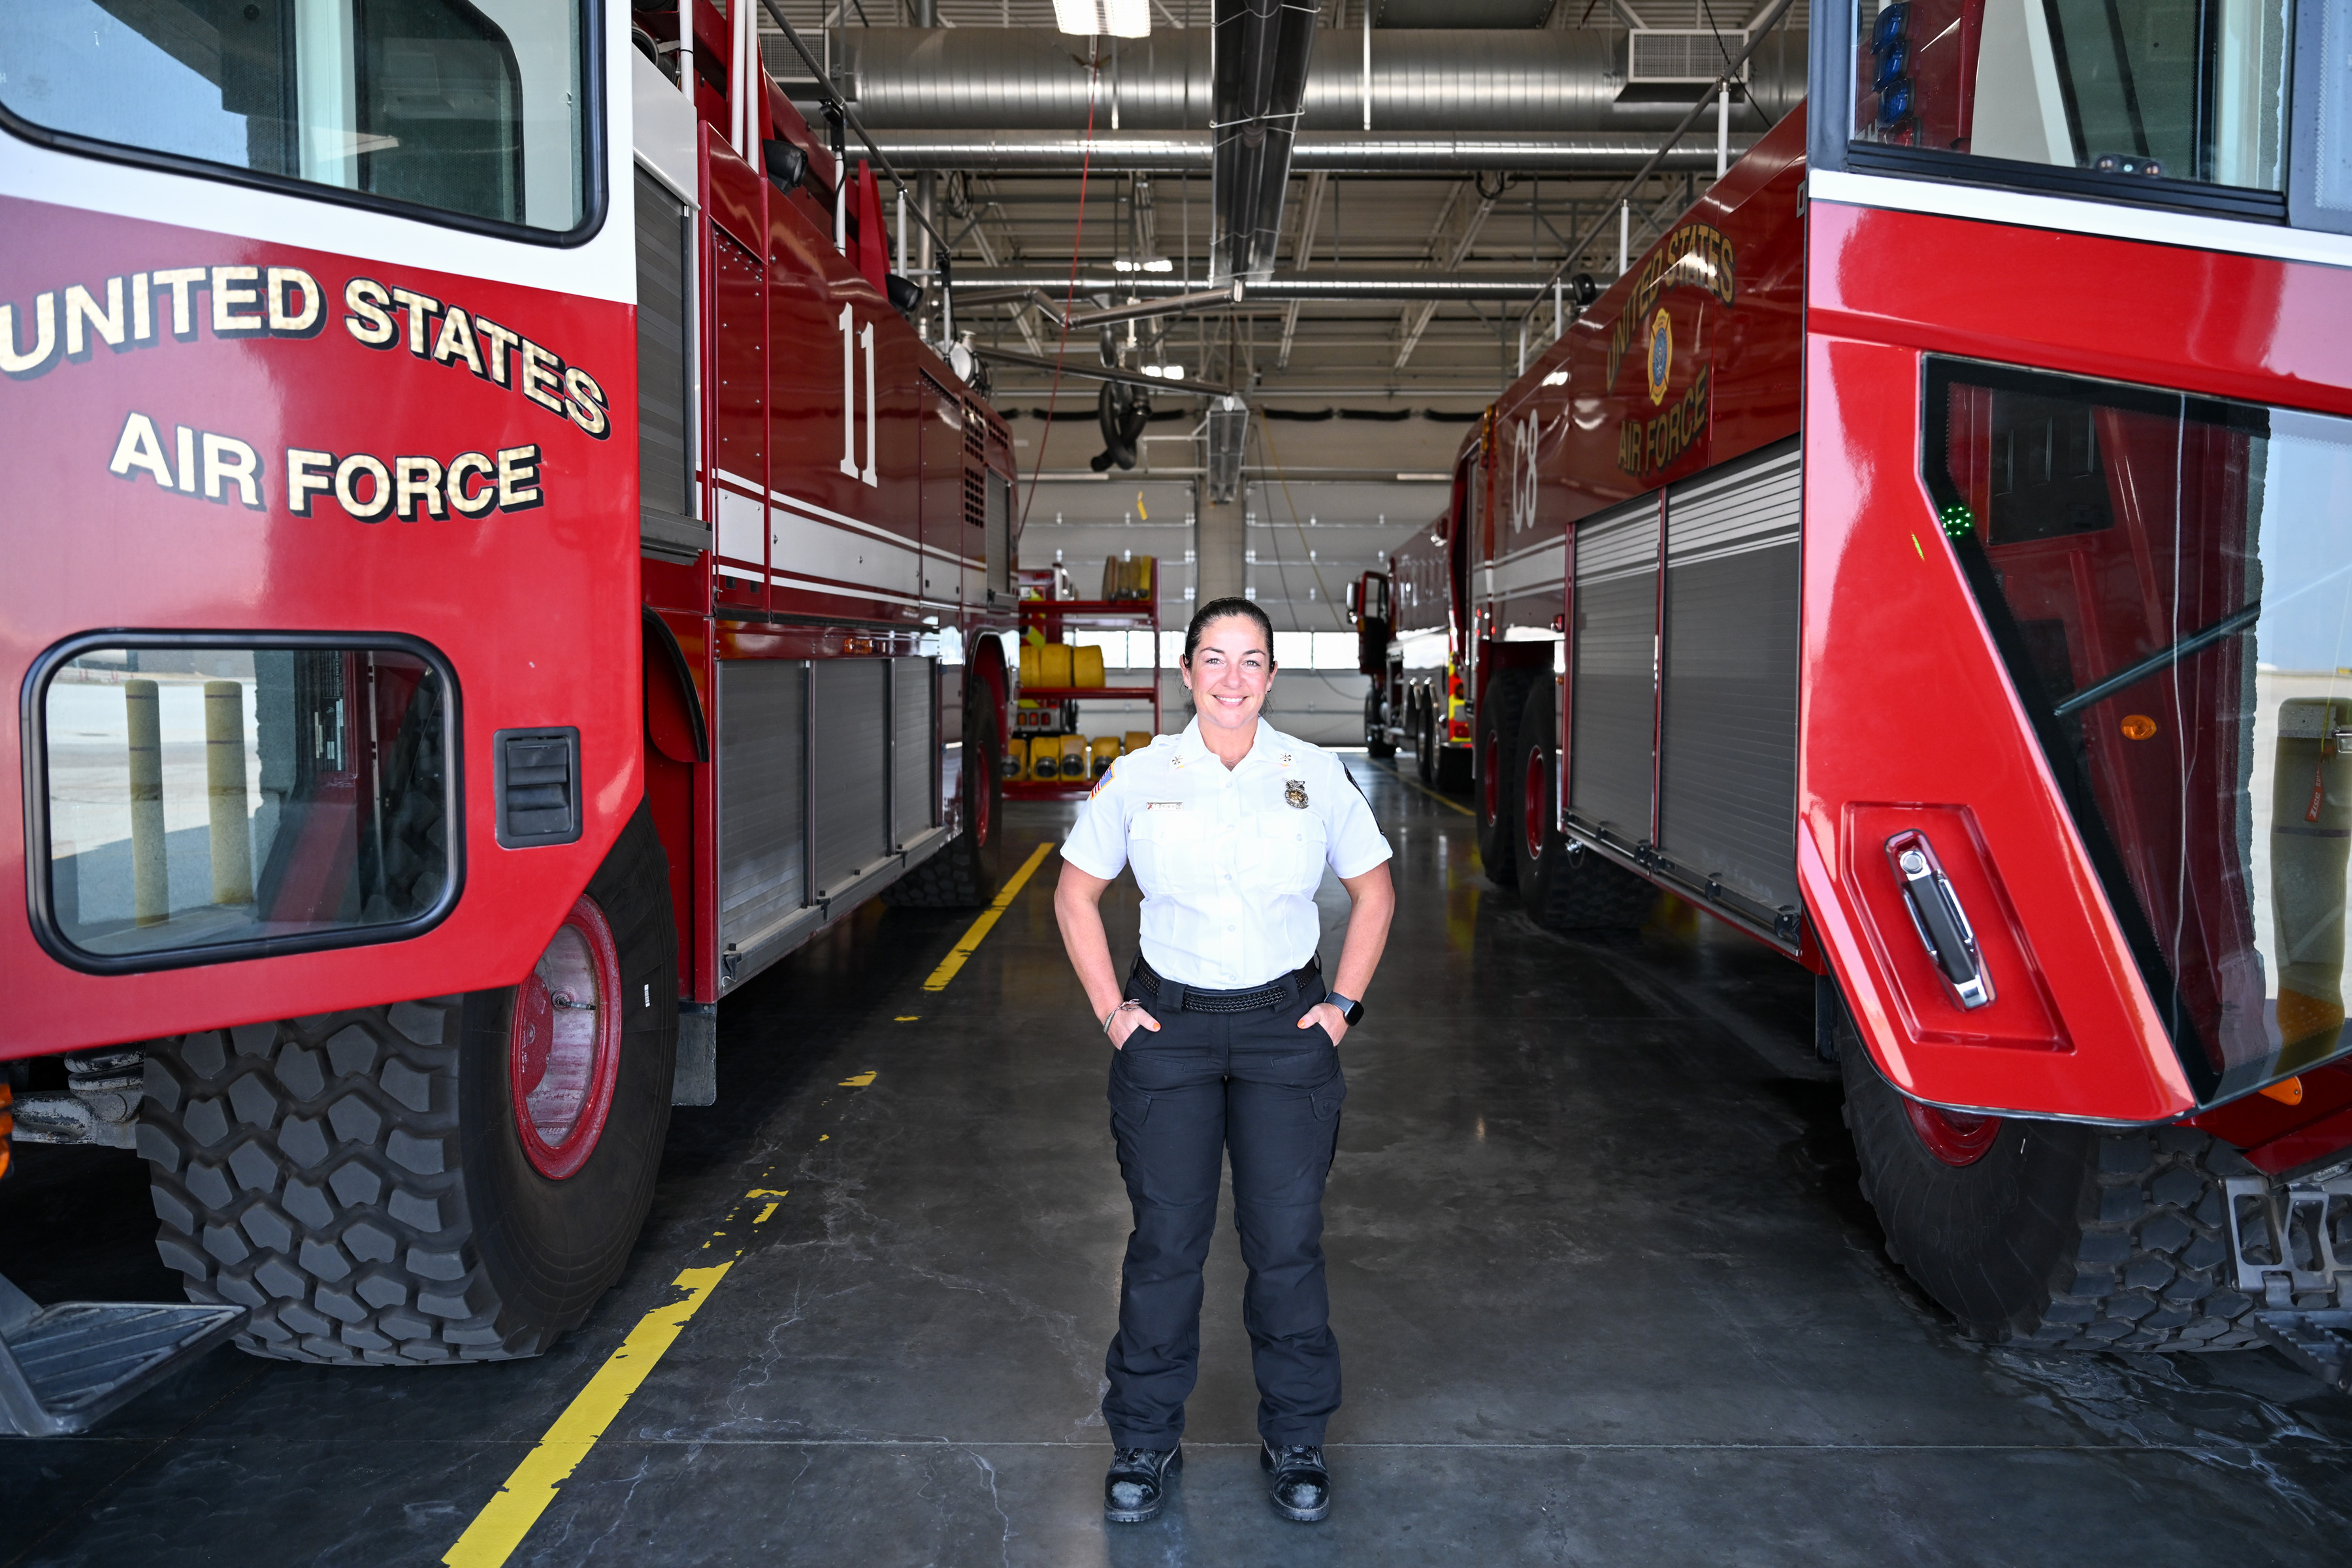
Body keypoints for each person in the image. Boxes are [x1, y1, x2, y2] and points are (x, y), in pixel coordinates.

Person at [1054, 596, 1397, 1527]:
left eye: (1251, 662)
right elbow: (1075, 894)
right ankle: (1143, 1440)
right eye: (1215, 659)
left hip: (1288, 1032)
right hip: (1171, 1036)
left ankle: (1296, 1439)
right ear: (1187, 672)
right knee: (1167, 1245)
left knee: (1284, 1245)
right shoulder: (1140, 776)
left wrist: (1340, 1009)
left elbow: (1374, 891)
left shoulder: (1314, 774)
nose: (1232, 679)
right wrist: (1112, 1013)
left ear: (1273, 676)